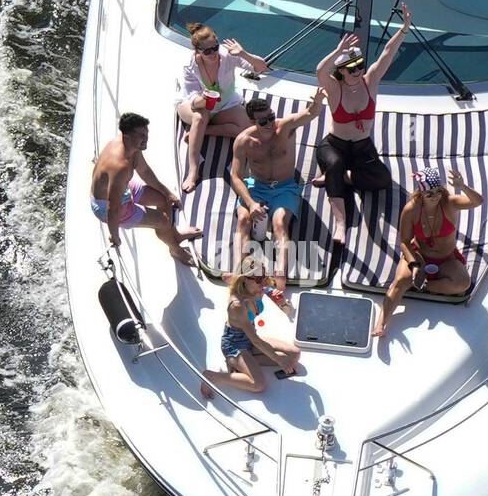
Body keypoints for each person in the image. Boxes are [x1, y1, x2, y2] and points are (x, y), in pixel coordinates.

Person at [314, 6, 411, 243]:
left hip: (361, 147)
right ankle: (341, 223)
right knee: (335, 163)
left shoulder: (371, 82)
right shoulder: (335, 89)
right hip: (334, 146)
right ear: (342, 72)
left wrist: (405, 29)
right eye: (352, 68)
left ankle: (342, 176)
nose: (358, 71)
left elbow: (388, 53)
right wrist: (338, 50)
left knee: (382, 181)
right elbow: (319, 70)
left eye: (360, 65)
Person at [229, 91, 326, 296]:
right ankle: (240, 272)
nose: (270, 123)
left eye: (271, 117)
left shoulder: (286, 127)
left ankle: (280, 276)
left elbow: (311, 114)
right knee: (244, 219)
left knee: (280, 222)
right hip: (257, 186)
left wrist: (317, 101)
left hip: (285, 186)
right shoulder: (244, 141)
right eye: (263, 121)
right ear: (252, 121)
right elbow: (236, 176)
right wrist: (250, 202)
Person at [375, 169, 483, 337]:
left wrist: (462, 186)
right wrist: (415, 264)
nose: (435, 196)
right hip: (419, 256)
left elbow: (477, 201)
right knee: (399, 281)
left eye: (437, 191)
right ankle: (380, 324)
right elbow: (404, 242)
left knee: (463, 283)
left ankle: (421, 285)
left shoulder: (449, 202)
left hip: (447, 258)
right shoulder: (411, 209)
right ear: (420, 193)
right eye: (429, 194)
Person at [91, 112, 203, 265]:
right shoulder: (120, 167)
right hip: (108, 207)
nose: (146, 138)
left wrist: (168, 193)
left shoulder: (132, 148)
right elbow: (113, 208)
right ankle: (175, 250)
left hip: (122, 190)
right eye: (141, 135)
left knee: (165, 200)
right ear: (127, 136)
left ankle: (174, 235)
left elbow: (144, 171)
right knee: (163, 221)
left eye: (146, 133)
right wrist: (114, 235)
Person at [176, 22, 270, 193]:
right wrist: (203, 100)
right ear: (197, 51)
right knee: (200, 117)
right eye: (207, 51)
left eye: (215, 47)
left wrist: (243, 53)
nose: (213, 53)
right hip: (195, 106)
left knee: (249, 128)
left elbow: (262, 68)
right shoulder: (190, 66)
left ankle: (204, 131)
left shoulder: (228, 56)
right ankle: (193, 171)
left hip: (225, 104)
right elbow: (191, 100)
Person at [200, 255, 302, 397]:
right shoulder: (237, 305)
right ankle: (211, 376)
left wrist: (283, 302)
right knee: (259, 384)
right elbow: (255, 339)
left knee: (294, 355)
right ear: (244, 279)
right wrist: (278, 359)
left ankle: (240, 366)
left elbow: (288, 310)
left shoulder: (257, 289)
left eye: (265, 277)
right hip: (235, 345)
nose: (264, 283)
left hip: (250, 339)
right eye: (259, 279)